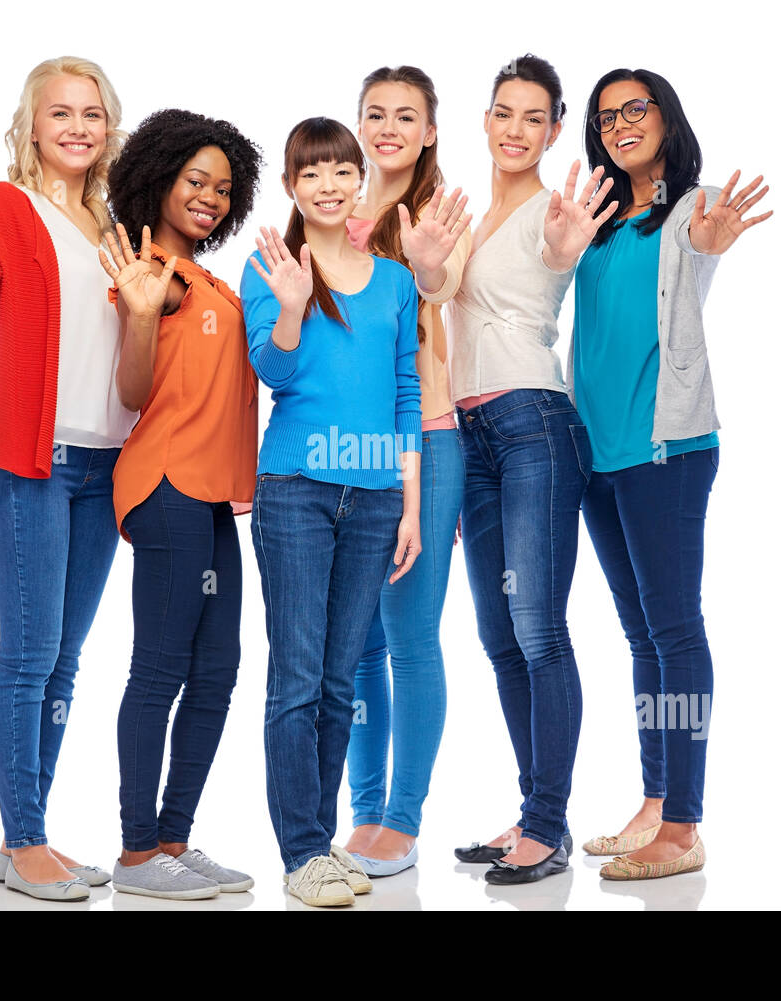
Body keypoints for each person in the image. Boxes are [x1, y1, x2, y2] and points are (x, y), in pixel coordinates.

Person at [0, 56, 130, 901]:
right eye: (61, 114)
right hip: (32, 464)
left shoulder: (112, 224)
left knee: (67, 660)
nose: (78, 127)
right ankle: (23, 839)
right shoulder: (9, 207)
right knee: (29, 655)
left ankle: (34, 836)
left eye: (93, 113)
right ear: (33, 126)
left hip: (104, 464)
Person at [571, 69, 770, 880]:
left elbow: (700, 252)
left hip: (666, 453)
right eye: (605, 116)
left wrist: (711, 242)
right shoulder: (599, 219)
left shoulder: (693, 208)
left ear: (665, 116)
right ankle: (654, 802)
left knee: (675, 631)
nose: (620, 124)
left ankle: (684, 825)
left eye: (635, 109)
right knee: (641, 634)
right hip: (598, 458)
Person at [242, 117, 422, 907]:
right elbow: (270, 365)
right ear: (292, 186)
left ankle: (317, 841)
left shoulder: (393, 278)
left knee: (341, 677)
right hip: (296, 492)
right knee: (297, 675)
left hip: (378, 495)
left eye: (340, 170)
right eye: (309, 172)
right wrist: (288, 305)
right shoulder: (271, 266)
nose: (327, 183)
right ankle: (304, 848)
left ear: (358, 181)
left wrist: (411, 503)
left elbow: (407, 393)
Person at [448, 54, 616, 885]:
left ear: (554, 131)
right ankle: (534, 813)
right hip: (472, 436)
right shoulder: (473, 215)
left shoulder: (553, 212)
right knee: (499, 636)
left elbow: (557, 256)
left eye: (533, 119)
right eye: (502, 113)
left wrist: (562, 245)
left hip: (533, 424)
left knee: (539, 630)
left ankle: (547, 828)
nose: (515, 131)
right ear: (486, 121)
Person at [100, 109, 263, 899]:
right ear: (158, 178)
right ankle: (137, 853)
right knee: (160, 668)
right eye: (194, 180)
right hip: (166, 486)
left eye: (223, 188)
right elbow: (133, 392)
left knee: (217, 670)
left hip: (214, 498)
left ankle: (173, 837)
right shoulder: (150, 272)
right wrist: (139, 312)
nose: (208, 196)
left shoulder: (211, 280)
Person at [340, 65, 472, 878]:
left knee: (409, 635)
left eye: (406, 116)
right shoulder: (330, 204)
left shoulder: (436, 213)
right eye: (374, 113)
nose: (388, 127)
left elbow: (442, 281)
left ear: (429, 130)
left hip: (424, 437)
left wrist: (424, 263)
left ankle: (403, 816)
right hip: (343, 453)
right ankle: (364, 809)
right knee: (354, 643)